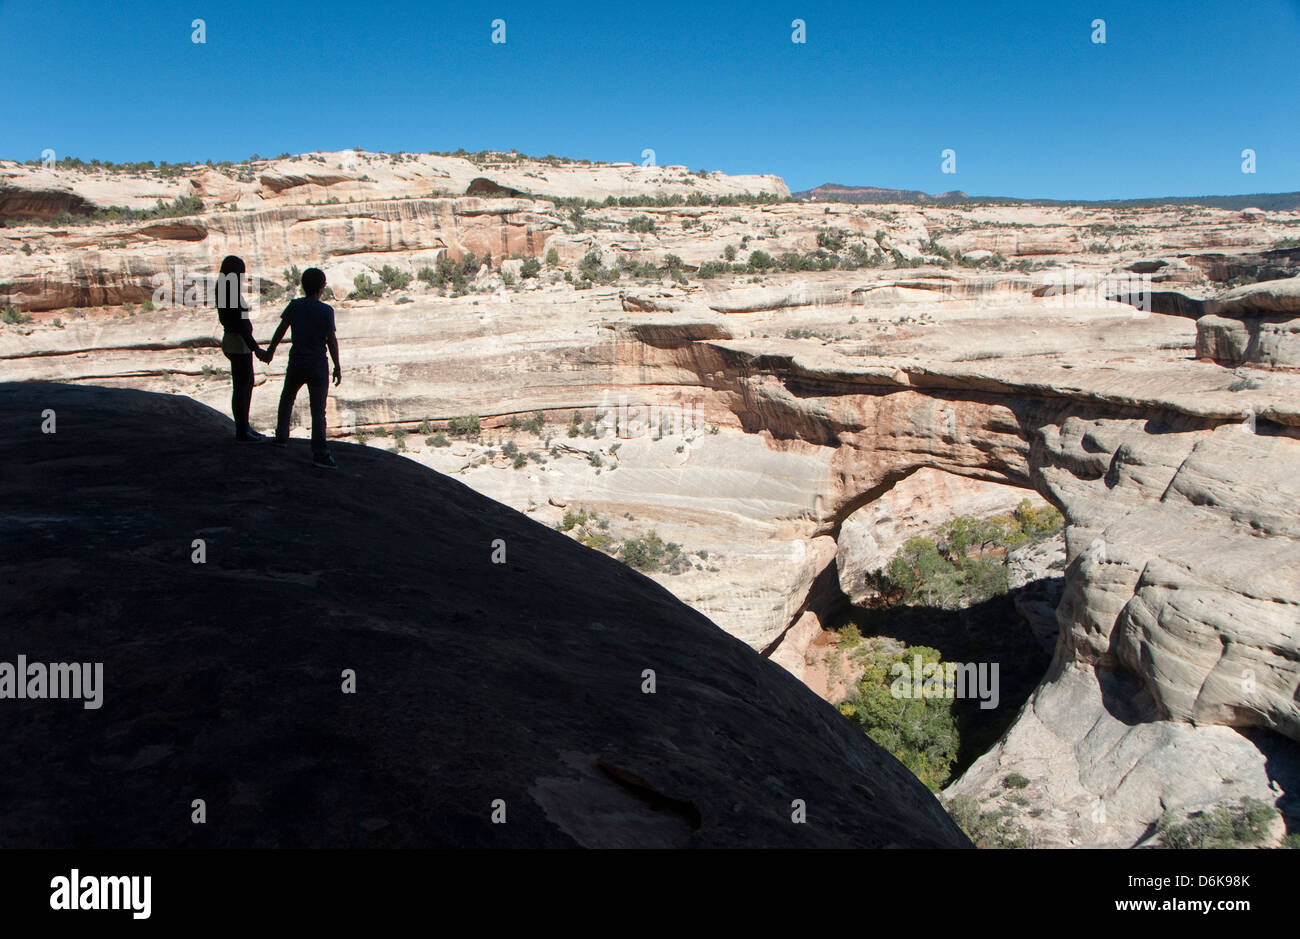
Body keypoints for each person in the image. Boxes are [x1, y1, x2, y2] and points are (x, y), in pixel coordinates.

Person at [263, 267, 342, 469]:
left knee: (287, 398)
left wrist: (270, 351)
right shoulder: (326, 311)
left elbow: (281, 330)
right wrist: (337, 366)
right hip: (317, 363)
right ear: (322, 287)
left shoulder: (295, 306)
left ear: (303, 286)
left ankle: (281, 437)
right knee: (318, 410)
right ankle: (320, 453)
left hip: (297, 361)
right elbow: (331, 340)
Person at [215, 255, 269, 441]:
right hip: (238, 342)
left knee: (245, 385)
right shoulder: (228, 290)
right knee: (242, 387)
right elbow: (240, 324)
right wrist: (256, 348)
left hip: (236, 341)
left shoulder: (225, 288)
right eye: (241, 272)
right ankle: (242, 431)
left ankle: (244, 427)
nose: (243, 275)